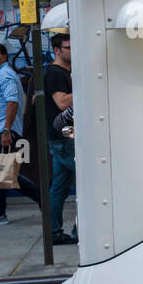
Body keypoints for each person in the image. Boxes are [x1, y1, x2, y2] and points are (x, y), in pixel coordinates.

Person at [0, 41, 41, 225]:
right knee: (3, 173)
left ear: (4, 57)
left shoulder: (4, 75)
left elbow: (12, 102)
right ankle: (43, 200)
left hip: (4, 131)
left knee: (2, 173)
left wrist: (6, 130)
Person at [44, 33, 77, 245]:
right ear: (57, 50)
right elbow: (63, 103)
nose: (73, 51)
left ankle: (54, 232)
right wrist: (86, 85)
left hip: (62, 137)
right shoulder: (55, 73)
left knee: (59, 188)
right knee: (90, 182)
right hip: (64, 137)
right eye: (68, 47)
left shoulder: (66, 71)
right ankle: (78, 230)